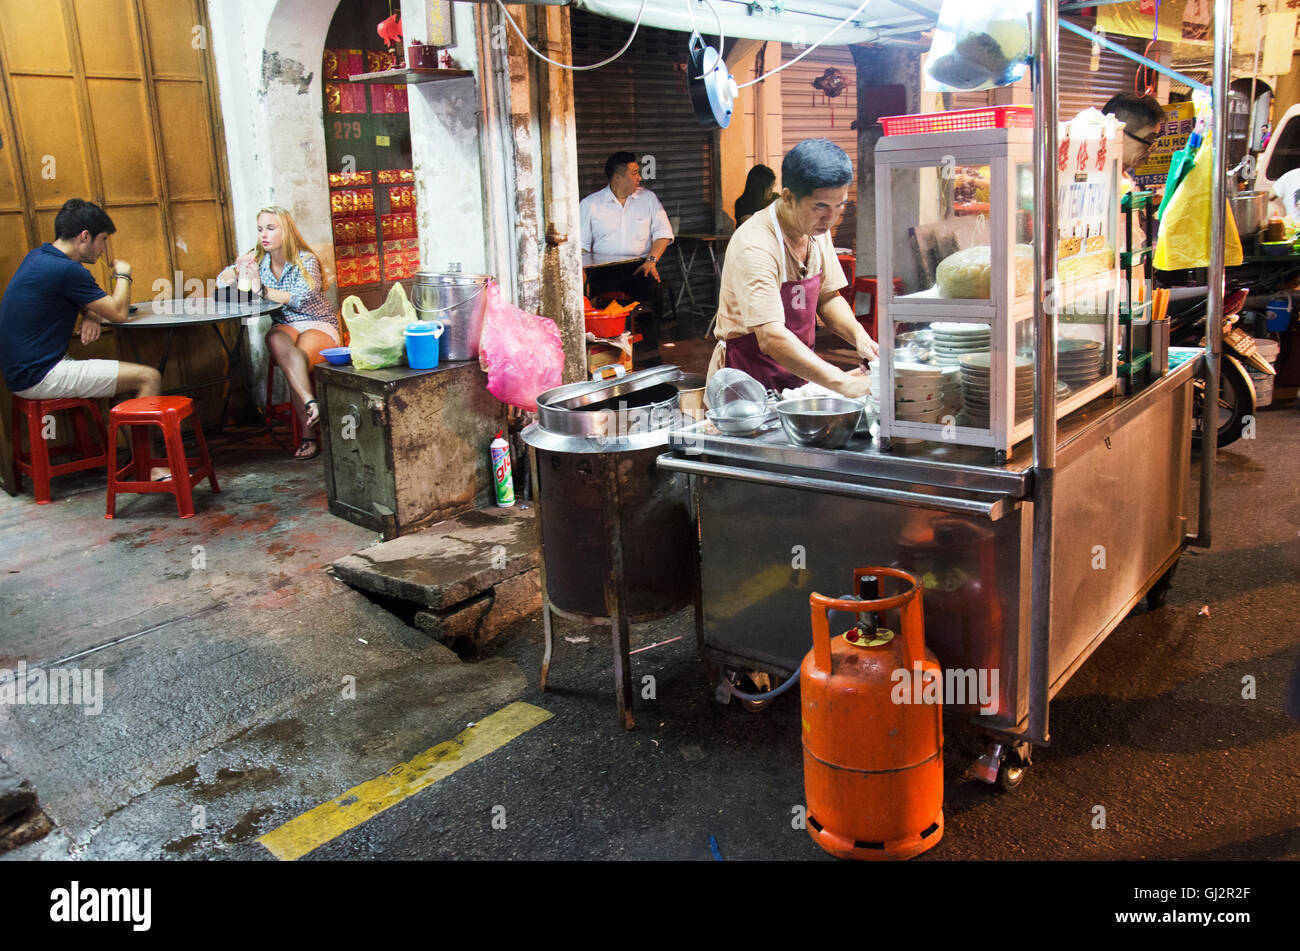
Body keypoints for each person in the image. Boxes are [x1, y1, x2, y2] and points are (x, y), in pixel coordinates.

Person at [707, 138, 877, 398]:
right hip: (747, 380)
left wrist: (860, 338)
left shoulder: (817, 230)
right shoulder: (755, 244)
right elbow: (771, 337)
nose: (830, 219)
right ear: (788, 197)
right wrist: (844, 383)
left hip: (797, 371)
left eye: (839, 206)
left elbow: (827, 297)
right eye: (820, 207)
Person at [0, 198, 161, 403]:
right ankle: (144, 435)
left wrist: (91, 314)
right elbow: (119, 313)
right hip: (40, 374)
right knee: (149, 377)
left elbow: (80, 299)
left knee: (121, 381)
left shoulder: (39, 256)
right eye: (103, 239)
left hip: (22, 372)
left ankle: (119, 434)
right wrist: (123, 274)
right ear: (85, 236)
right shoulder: (67, 270)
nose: (103, 248)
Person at [217, 206, 338, 460]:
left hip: (316, 322)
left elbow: (300, 298)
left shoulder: (306, 260)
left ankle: (308, 436)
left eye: (271, 228)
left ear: (287, 231)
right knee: (273, 337)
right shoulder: (258, 259)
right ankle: (310, 403)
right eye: (260, 229)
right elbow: (221, 281)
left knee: (296, 359)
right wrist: (237, 270)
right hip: (286, 324)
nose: (264, 235)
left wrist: (260, 289)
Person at [579, 151, 674, 352]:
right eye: (634, 173)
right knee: (582, 298)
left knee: (654, 290)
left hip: (638, 267)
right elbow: (581, 248)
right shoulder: (590, 204)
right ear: (617, 177)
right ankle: (600, 347)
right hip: (600, 270)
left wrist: (651, 260)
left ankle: (650, 349)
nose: (639, 177)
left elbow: (663, 234)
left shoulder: (648, 199)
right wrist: (582, 273)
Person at [1102, 93, 1165, 178]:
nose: (1153, 149)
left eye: (1154, 140)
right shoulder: (1095, 178)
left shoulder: (1123, 179)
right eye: (1148, 139)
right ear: (1118, 134)